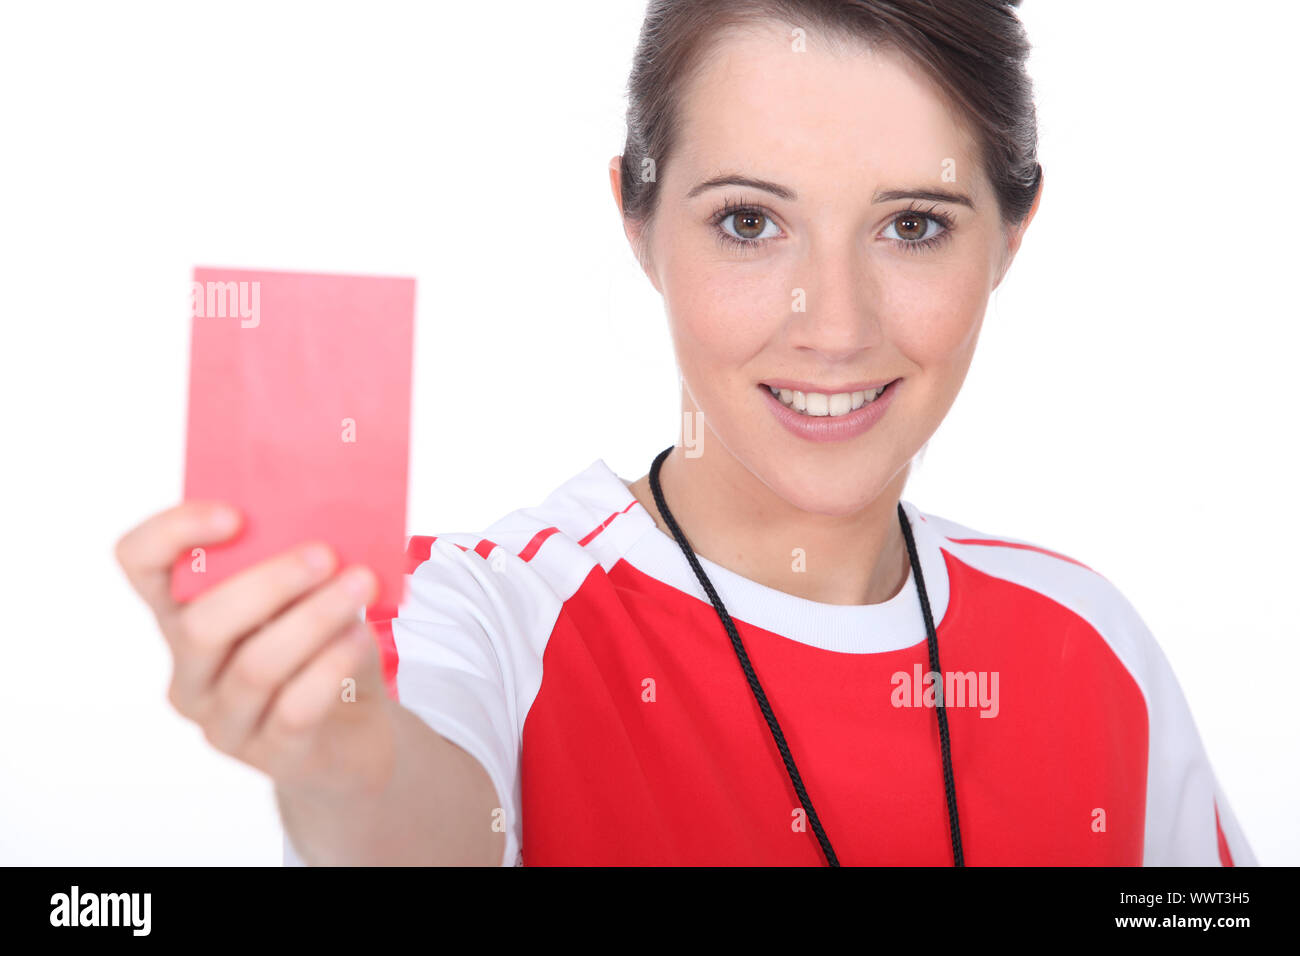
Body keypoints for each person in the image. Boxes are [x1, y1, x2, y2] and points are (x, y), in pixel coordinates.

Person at [115, 0, 1255, 866]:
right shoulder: (490, 610)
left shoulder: (1088, 645)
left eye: (912, 224)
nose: (834, 324)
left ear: (1010, 236)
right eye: (748, 222)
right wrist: (340, 761)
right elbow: (424, 811)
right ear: (638, 222)